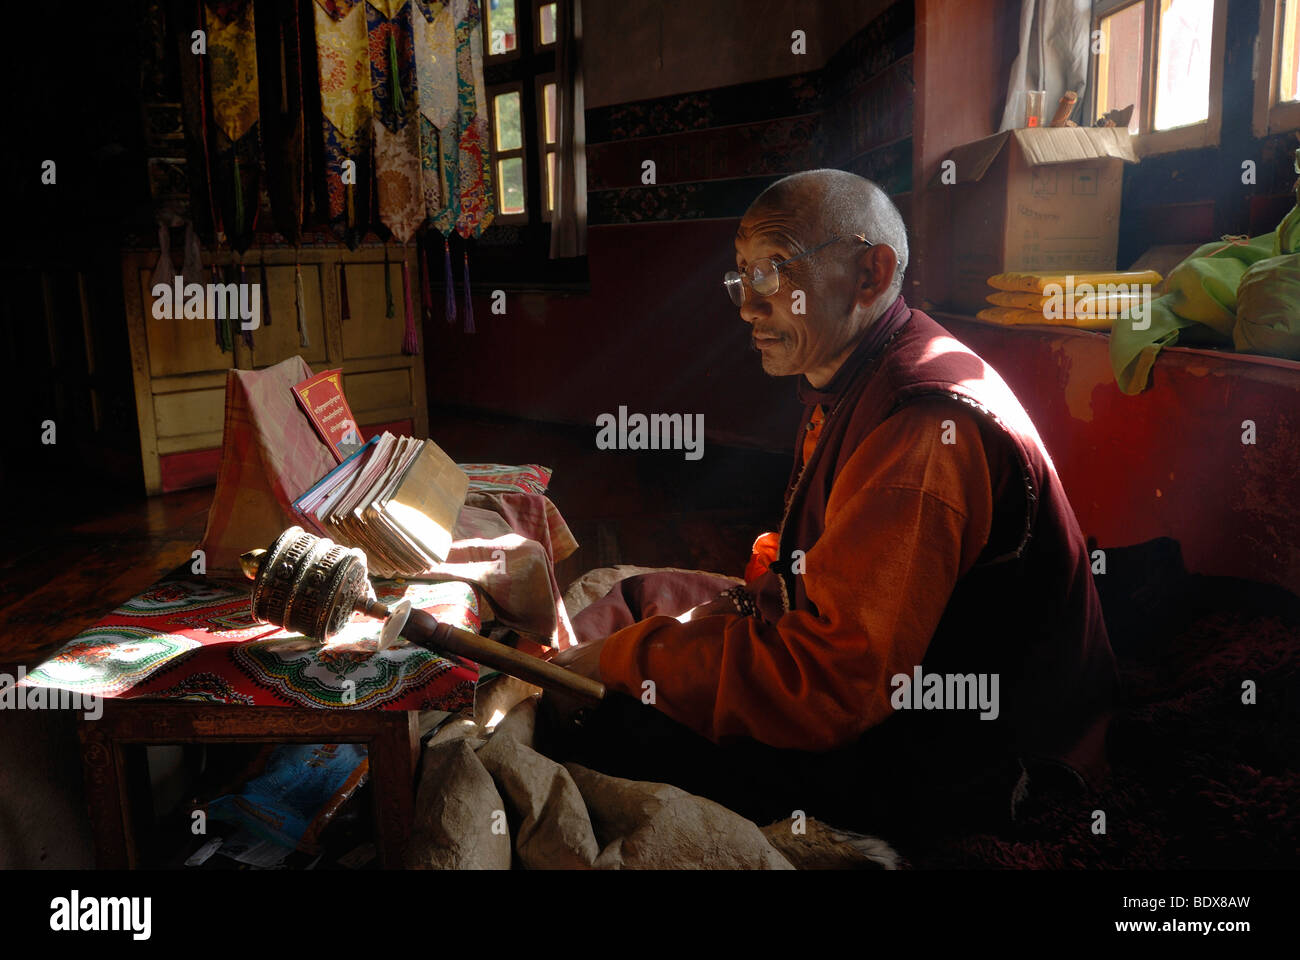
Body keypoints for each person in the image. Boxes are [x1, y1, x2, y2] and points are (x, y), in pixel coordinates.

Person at [548, 169, 1117, 838]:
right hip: (887, 668)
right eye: (743, 276)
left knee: (618, 727)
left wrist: (624, 664)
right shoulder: (864, 366)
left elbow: (829, 689)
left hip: (971, 733)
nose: (748, 307)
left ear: (871, 274)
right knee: (644, 601)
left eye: (775, 272)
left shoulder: (922, 426)